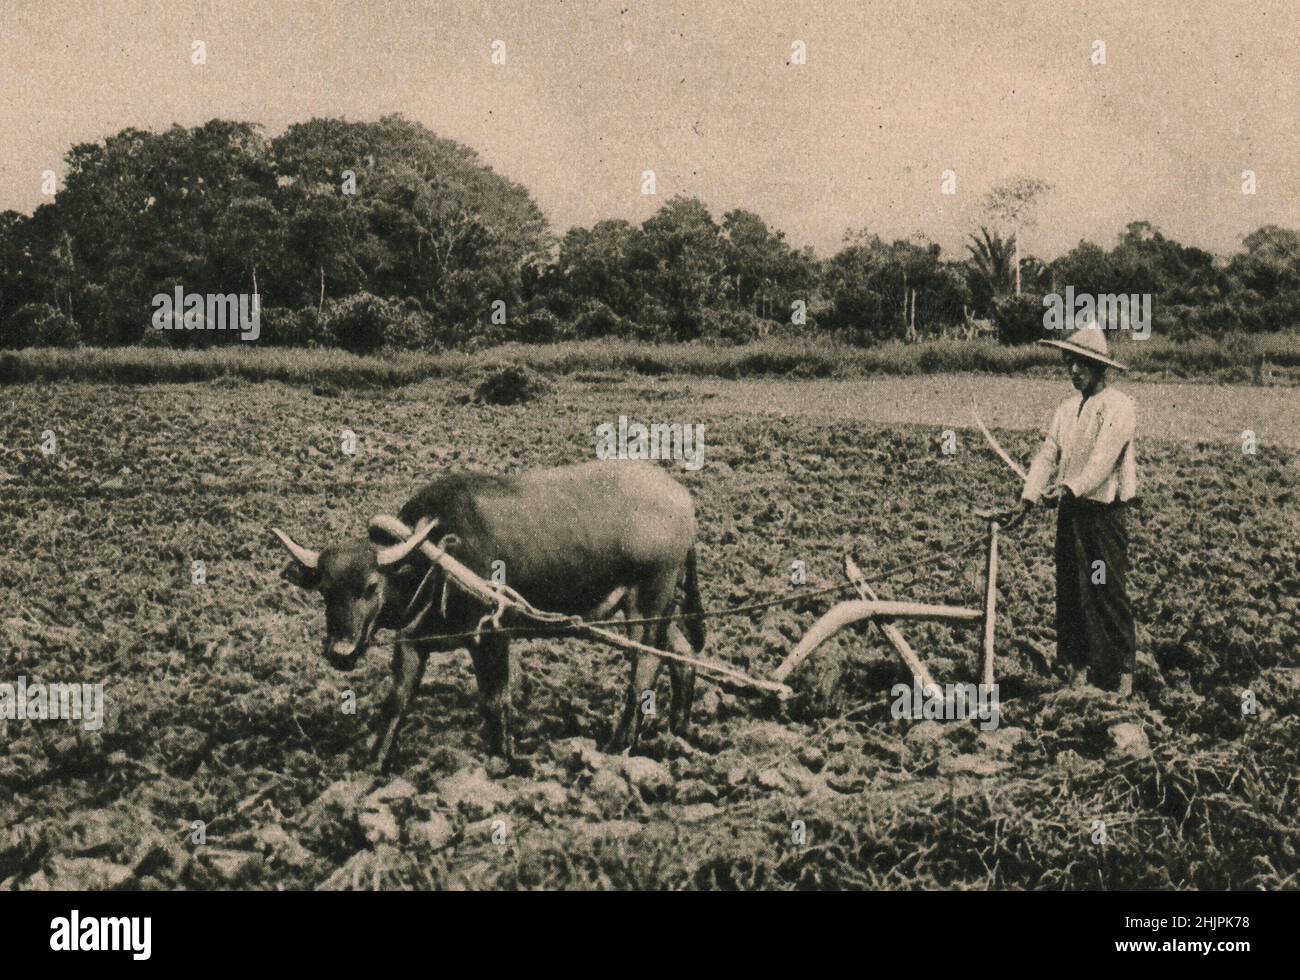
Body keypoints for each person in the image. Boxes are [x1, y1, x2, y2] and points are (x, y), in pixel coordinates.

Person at [1021, 323, 1138, 696]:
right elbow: (1048, 454)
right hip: (1070, 517)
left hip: (1101, 520)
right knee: (1071, 592)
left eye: (1082, 365)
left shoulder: (1118, 407)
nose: (1074, 371)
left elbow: (1102, 461)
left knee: (1104, 589)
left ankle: (1120, 676)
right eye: (1069, 362)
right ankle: (1076, 670)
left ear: (1101, 368)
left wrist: (1069, 487)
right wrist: (1029, 495)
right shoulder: (1066, 409)